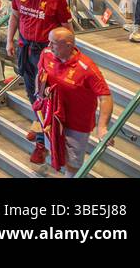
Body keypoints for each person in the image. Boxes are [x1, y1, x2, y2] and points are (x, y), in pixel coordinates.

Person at [5, 0, 71, 165]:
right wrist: (10, 40)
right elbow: (14, 17)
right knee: (31, 93)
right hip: (26, 49)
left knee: (44, 96)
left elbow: (67, 26)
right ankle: (41, 126)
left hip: (47, 53)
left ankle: (42, 142)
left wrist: (68, 53)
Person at [35, 26, 114, 175]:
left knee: (72, 163)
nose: (49, 46)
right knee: (57, 154)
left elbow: (105, 97)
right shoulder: (46, 54)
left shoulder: (87, 68)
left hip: (76, 124)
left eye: (53, 43)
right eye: (49, 42)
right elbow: (40, 74)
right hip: (53, 118)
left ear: (69, 45)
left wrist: (102, 127)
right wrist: (39, 94)